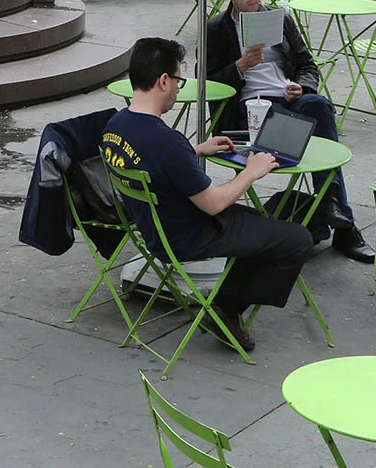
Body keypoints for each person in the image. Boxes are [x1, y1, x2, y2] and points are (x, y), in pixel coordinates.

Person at [101, 37, 314, 353]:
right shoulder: (167, 142)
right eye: (177, 80)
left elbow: (155, 162)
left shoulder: (115, 126)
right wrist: (251, 172)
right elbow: (214, 204)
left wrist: (195, 150)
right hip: (189, 234)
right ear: (163, 81)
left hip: (153, 229)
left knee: (258, 224)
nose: (178, 88)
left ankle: (226, 304)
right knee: (296, 239)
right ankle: (227, 307)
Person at [204, 0, 373, 262]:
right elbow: (208, 82)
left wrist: (302, 87)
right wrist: (239, 67)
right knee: (302, 116)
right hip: (251, 107)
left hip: (288, 97)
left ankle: (332, 205)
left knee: (318, 105)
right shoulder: (217, 29)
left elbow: (308, 64)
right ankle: (342, 222)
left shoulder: (280, 18)